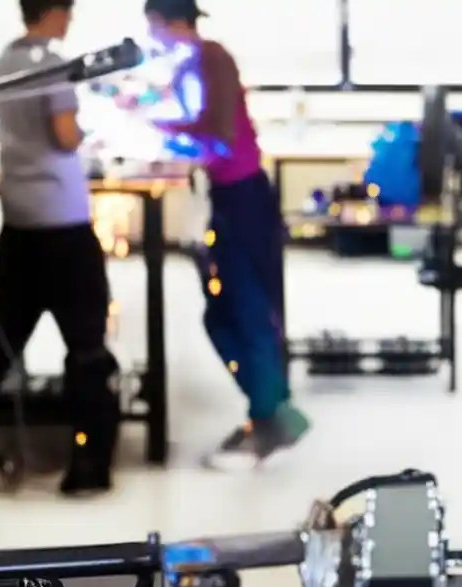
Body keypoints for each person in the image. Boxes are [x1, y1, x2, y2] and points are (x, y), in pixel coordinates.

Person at [0, 0, 119, 495]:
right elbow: (64, 138)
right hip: (63, 219)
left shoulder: (1, 65)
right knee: (85, 345)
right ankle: (87, 467)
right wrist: (87, 127)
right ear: (56, 13)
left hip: (20, 220)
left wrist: (11, 136)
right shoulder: (54, 67)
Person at [143, 0, 309, 464]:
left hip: (244, 200)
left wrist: (158, 124)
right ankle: (270, 410)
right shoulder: (190, 66)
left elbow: (216, 131)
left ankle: (268, 418)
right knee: (222, 314)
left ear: (169, 23)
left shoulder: (211, 58)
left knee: (248, 310)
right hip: (228, 197)